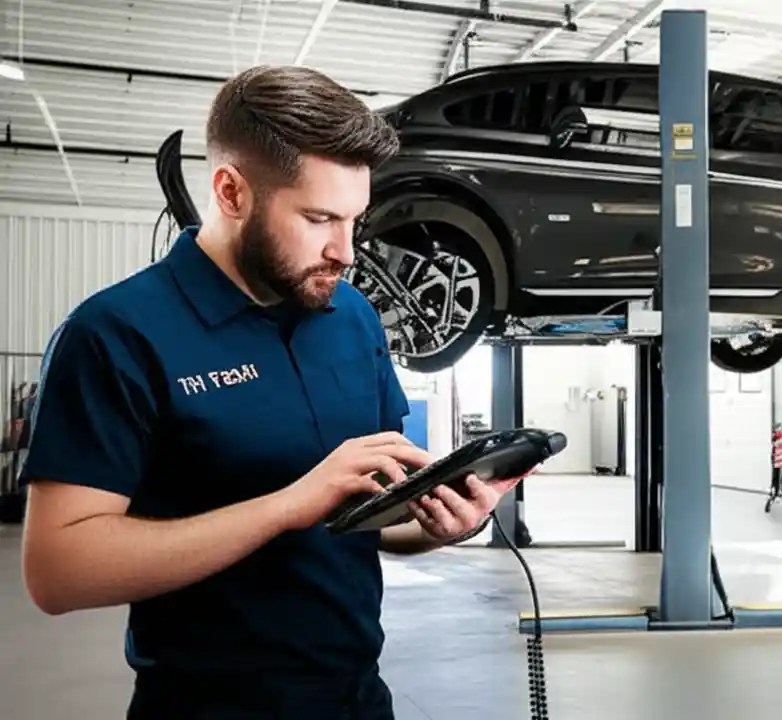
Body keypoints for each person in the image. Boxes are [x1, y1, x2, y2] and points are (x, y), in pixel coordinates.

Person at [18, 64, 525, 719]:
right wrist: (287, 506)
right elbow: (59, 572)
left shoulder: (353, 318)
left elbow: (365, 524)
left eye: (354, 219)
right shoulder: (115, 334)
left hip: (359, 701)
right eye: (319, 218)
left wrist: (441, 524)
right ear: (231, 191)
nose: (346, 251)